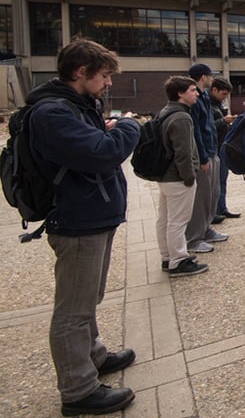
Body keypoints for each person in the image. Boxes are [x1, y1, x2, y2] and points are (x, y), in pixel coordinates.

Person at [29, 39, 140, 415]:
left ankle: (93, 355)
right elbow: (102, 153)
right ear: (81, 72)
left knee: (88, 299)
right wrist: (127, 127)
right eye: (105, 75)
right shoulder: (52, 113)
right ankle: (78, 390)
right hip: (77, 220)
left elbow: (92, 147)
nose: (109, 83)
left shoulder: (77, 107)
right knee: (73, 309)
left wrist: (106, 129)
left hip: (93, 216)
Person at [157, 76, 210, 277]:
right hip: (177, 178)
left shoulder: (165, 111)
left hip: (166, 176)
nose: (196, 93)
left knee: (165, 219)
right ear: (180, 94)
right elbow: (184, 152)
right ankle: (178, 260)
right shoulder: (181, 117)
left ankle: (167, 256)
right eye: (191, 90)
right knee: (178, 220)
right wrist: (189, 177)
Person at [185, 63, 226, 253]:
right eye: (210, 76)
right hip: (205, 155)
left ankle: (206, 229)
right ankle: (194, 238)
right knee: (201, 198)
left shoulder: (204, 98)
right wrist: (202, 158)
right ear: (203, 77)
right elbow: (197, 132)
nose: (212, 79)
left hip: (212, 151)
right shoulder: (194, 99)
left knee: (212, 194)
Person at [210, 76, 240, 220]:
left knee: (222, 179)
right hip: (214, 147)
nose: (225, 97)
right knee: (216, 181)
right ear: (214, 90)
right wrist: (224, 120)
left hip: (222, 146)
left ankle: (222, 208)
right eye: (223, 94)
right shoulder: (207, 105)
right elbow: (207, 127)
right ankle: (215, 211)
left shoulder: (217, 105)